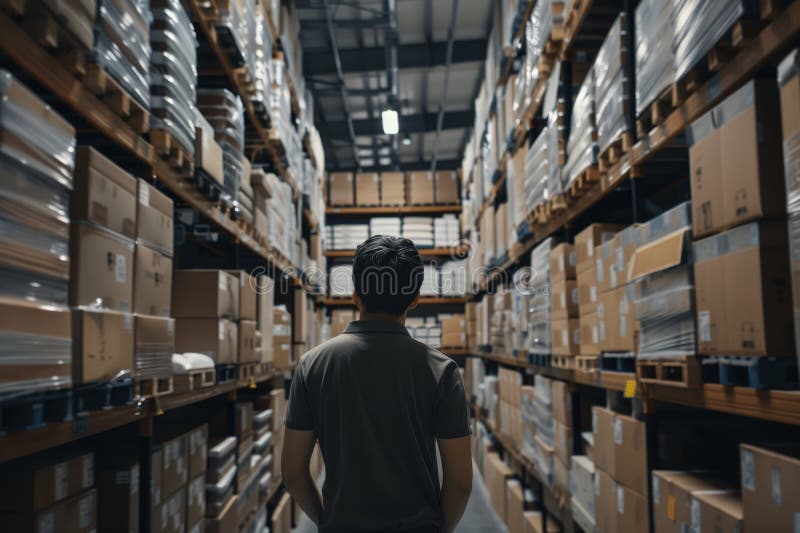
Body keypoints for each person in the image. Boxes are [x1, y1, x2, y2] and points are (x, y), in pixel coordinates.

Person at [281, 235, 473, 533]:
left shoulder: (313, 365)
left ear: (356, 295)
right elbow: (460, 481)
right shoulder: (441, 370)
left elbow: (293, 472)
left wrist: (326, 520)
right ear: (415, 299)